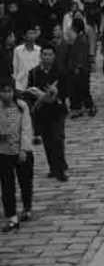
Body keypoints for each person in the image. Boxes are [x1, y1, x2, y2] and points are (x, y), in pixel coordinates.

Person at [25, 45, 68, 181]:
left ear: (54, 56)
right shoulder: (34, 73)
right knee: (48, 140)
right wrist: (39, 96)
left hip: (57, 110)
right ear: (40, 56)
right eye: (44, 54)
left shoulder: (60, 72)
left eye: (50, 55)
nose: (47, 57)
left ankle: (60, 168)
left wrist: (56, 94)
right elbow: (30, 91)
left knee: (57, 139)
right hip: (42, 111)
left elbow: (67, 90)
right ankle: (53, 167)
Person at [0, 75, 34, 232]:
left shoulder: (22, 106)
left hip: (21, 150)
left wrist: (23, 149)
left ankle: (27, 208)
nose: (6, 94)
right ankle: (12, 217)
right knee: (7, 186)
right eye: (3, 91)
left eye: (9, 91)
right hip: (4, 151)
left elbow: (26, 129)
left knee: (25, 182)